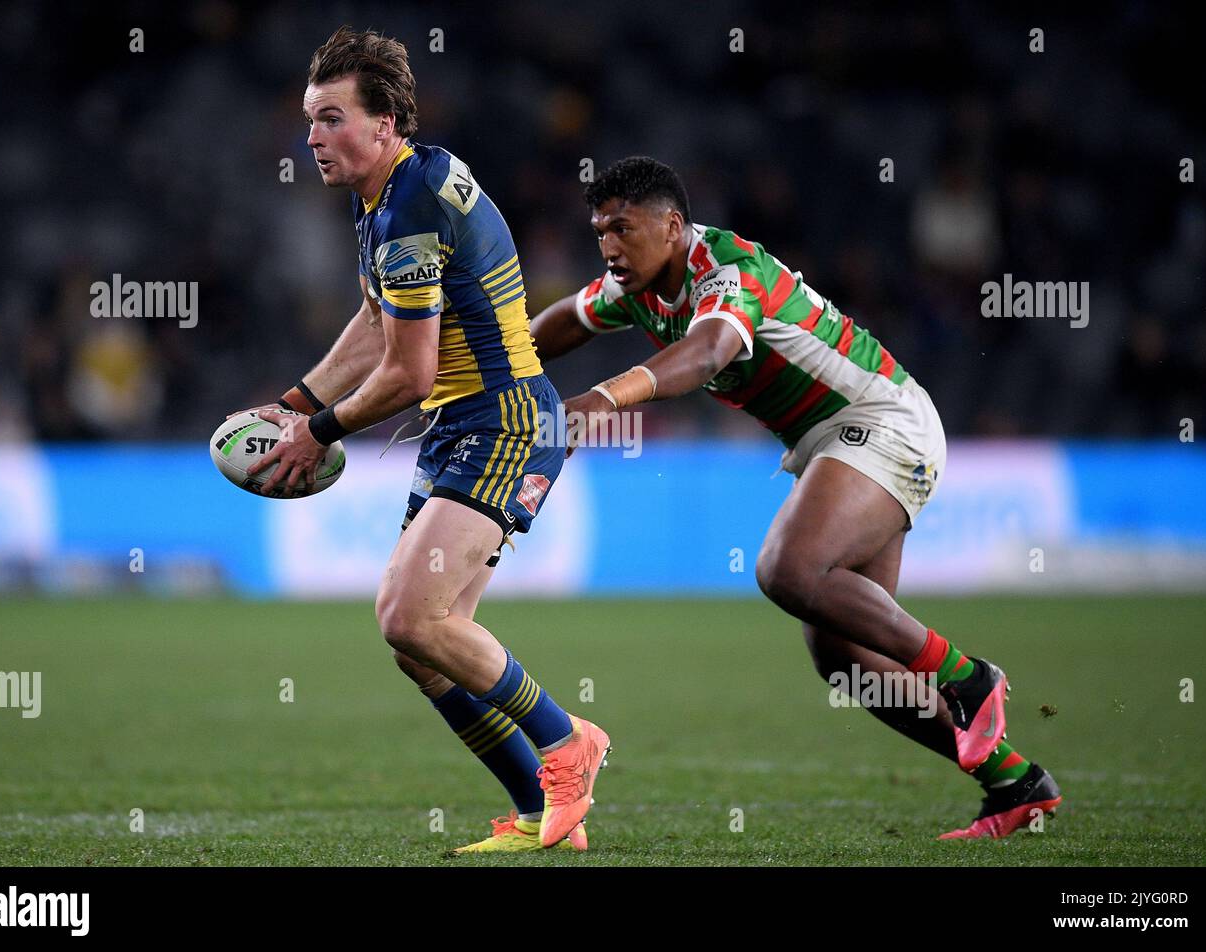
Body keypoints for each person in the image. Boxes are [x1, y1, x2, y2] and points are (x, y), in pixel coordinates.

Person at [530, 156, 1060, 839]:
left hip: (883, 422)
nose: (608, 245)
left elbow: (706, 354)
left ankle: (967, 677)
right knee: (843, 659)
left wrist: (604, 399)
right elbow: (564, 322)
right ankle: (1015, 782)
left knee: (788, 570)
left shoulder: (728, 273)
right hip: (836, 444)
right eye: (600, 229)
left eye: (622, 228)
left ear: (672, 225)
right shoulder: (633, 283)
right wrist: (487, 363)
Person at [238, 26, 610, 853]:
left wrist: (317, 433)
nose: (312, 138)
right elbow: (378, 326)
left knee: (411, 615)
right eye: (308, 120)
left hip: (505, 419)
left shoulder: (406, 208)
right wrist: (296, 401)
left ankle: (566, 742)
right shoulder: (399, 190)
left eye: (332, 119)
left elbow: (407, 373)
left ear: (385, 123)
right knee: (422, 644)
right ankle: (537, 811)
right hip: (464, 426)